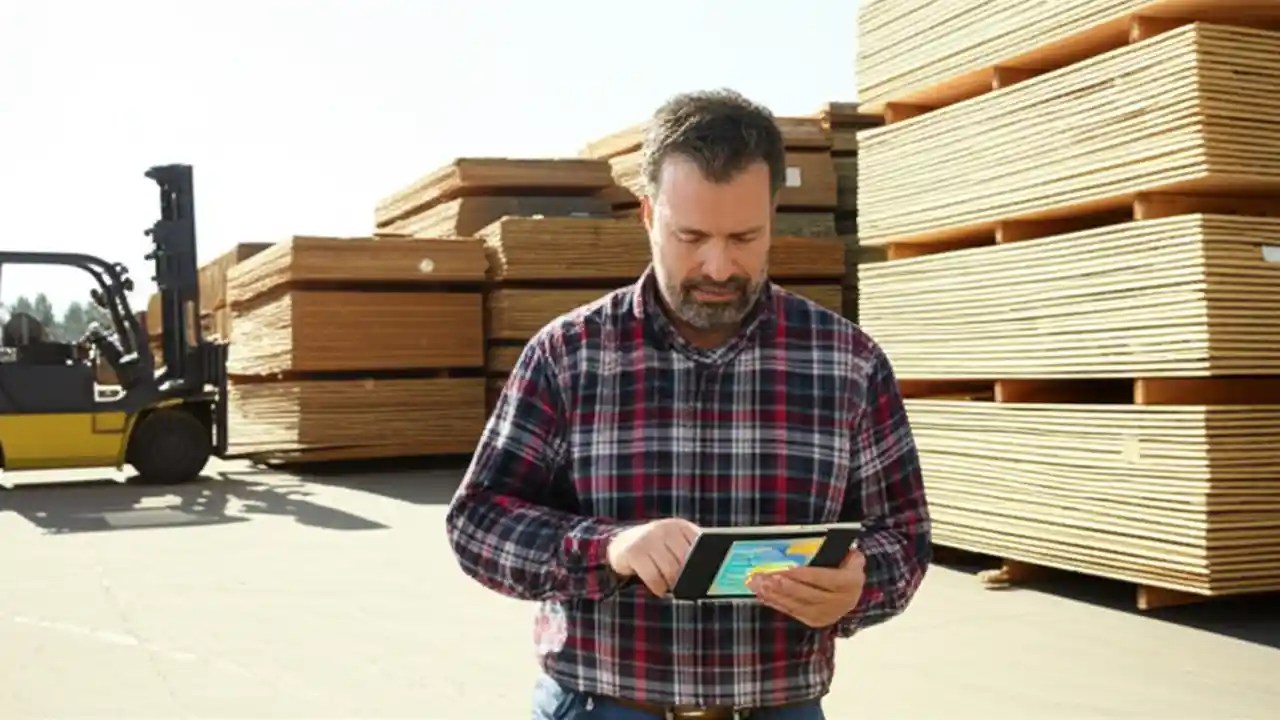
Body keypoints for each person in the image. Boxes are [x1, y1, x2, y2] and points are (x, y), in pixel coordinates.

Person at [445, 88, 931, 719]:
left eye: (745, 237)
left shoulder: (849, 364)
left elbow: (905, 537)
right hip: (602, 706)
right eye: (691, 235)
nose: (718, 266)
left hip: (780, 707)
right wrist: (608, 549)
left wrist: (859, 585)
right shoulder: (568, 355)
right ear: (648, 214)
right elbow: (478, 522)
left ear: (773, 214)